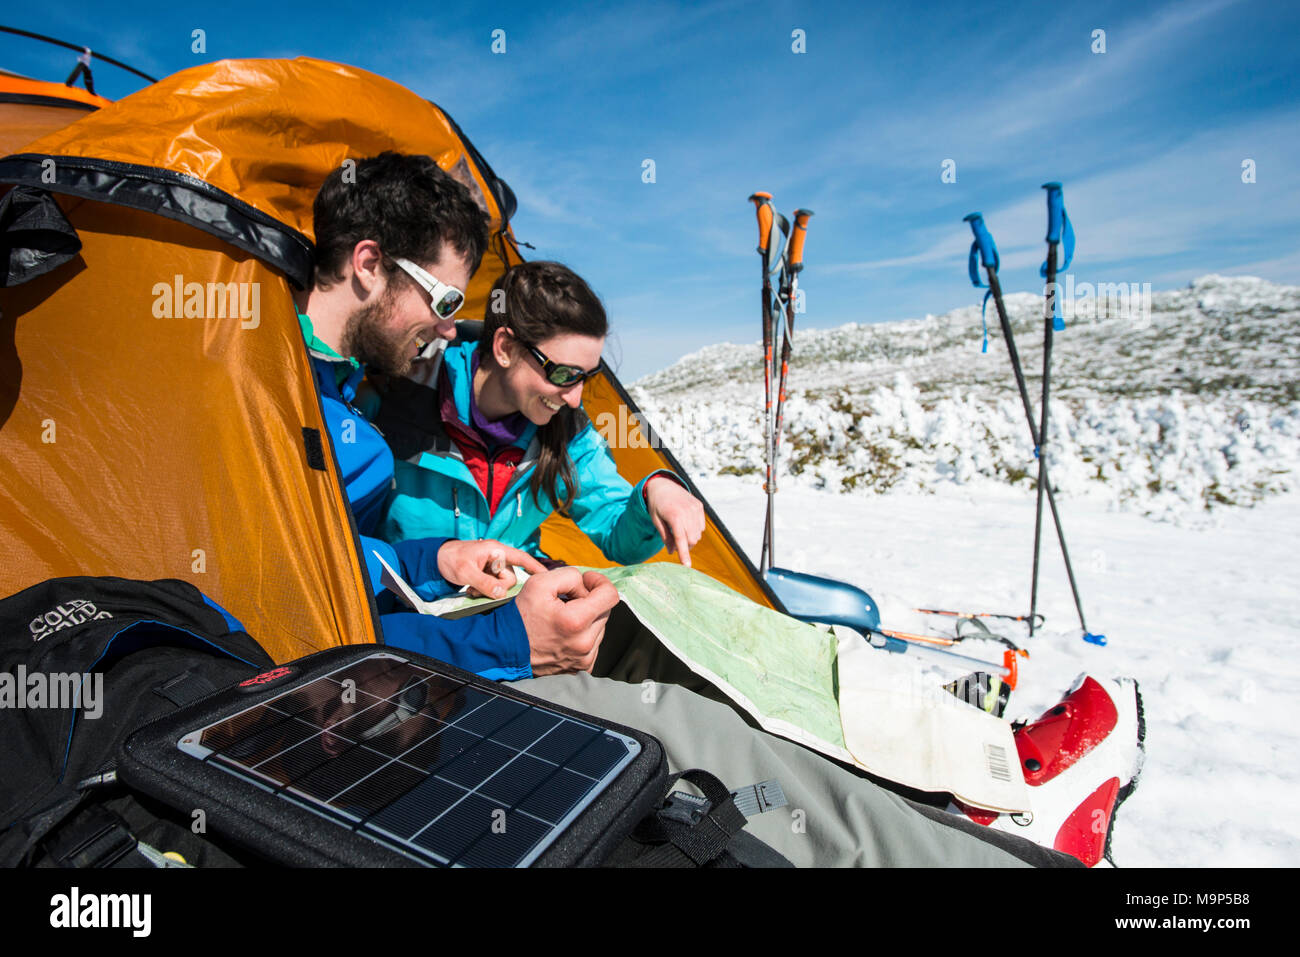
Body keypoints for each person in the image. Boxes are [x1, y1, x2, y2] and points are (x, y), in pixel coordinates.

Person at [294, 151, 618, 681]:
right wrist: (503, 642)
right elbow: (288, 613)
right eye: (446, 302)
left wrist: (437, 560)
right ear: (370, 264)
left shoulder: (347, 395)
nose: (450, 331)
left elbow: (341, 563)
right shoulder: (279, 395)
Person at [372, 260, 706, 570]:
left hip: (510, 608)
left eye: (585, 377)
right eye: (563, 374)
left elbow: (618, 536)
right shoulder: (395, 392)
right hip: (403, 611)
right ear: (505, 348)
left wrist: (655, 493)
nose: (575, 400)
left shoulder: (567, 433)